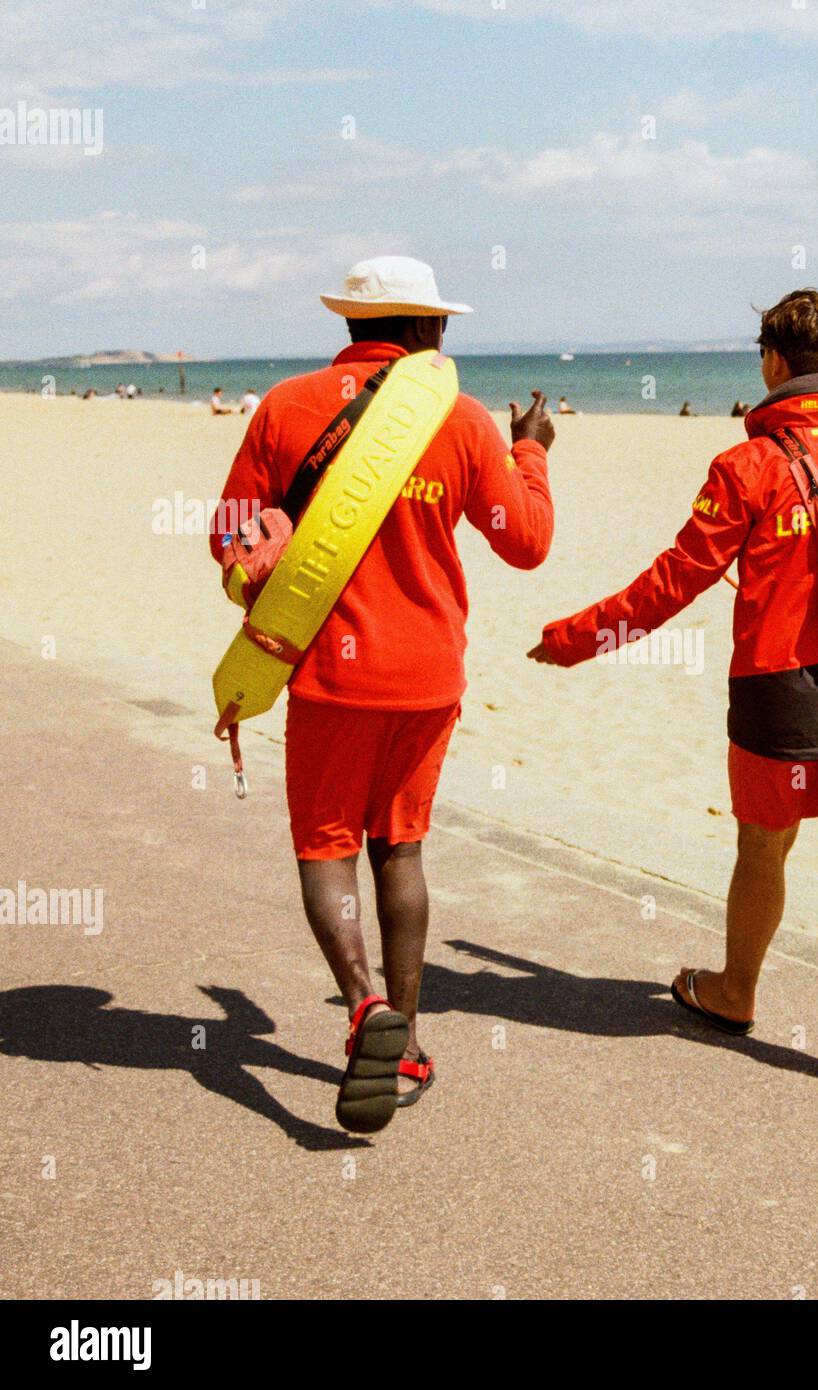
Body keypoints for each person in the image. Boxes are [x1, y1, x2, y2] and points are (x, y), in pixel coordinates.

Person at [529, 288, 818, 1098]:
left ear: (772, 361)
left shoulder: (748, 465)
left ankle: (736, 993)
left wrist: (575, 640)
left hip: (776, 692)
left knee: (764, 847)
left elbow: (673, 583)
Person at [210, 255, 555, 1133]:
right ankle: (402, 1044)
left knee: (326, 849)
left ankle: (365, 1006)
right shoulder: (465, 420)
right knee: (399, 851)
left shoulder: (286, 407)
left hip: (329, 675)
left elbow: (227, 536)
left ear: (355, 327)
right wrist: (532, 452)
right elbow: (527, 543)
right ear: (429, 331)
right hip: (428, 675)